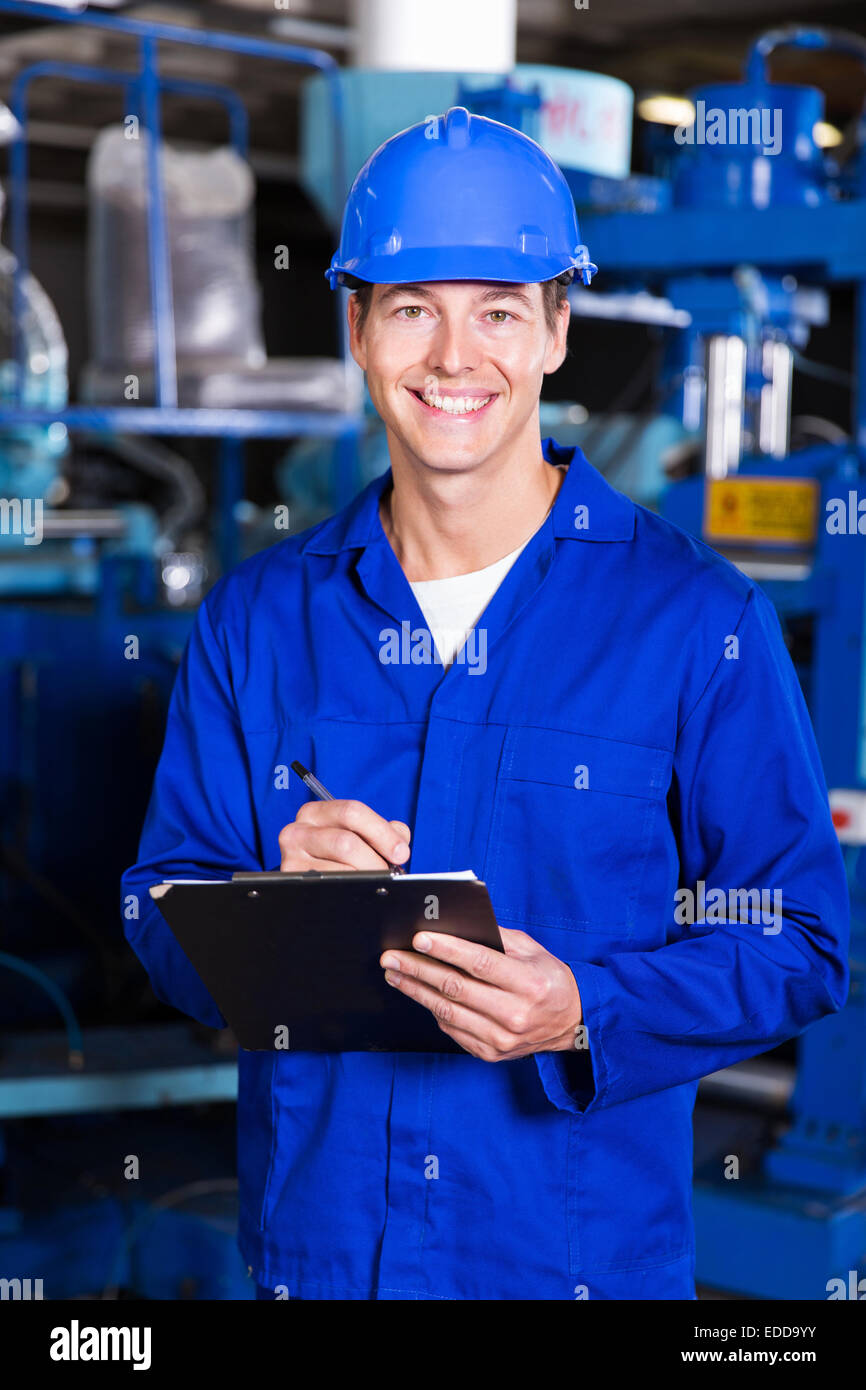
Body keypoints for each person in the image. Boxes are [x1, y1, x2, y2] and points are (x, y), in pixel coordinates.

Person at [122, 107, 849, 1301]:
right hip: (320, 1266)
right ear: (356, 326)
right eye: (412, 308)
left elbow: (799, 942)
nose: (455, 357)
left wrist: (583, 1010)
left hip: (570, 1274)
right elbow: (158, 905)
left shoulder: (693, 621)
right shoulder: (257, 621)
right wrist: (258, 907)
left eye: (498, 309)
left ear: (558, 329)